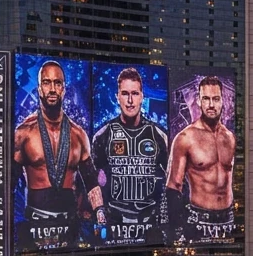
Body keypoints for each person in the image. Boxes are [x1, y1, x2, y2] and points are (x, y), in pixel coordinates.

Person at [12, 60, 105, 250]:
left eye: (57, 83)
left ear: (64, 89)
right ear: (39, 89)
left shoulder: (78, 135)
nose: (52, 89)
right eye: (47, 82)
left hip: (69, 226)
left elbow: (91, 182)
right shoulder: (23, 133)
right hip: (35, 225)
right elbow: (8, 185)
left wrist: (100, 214)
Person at [92, 67, 169, 245]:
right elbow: (91, 185)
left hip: (150, 228)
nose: (130, 100)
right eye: (125, 94)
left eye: (134, 94)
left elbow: (173, 182)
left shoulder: (159, 136)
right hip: (114, 227)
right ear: (117, 97)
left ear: (142, 96)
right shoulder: (102, 136)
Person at [166, 76, 236, 243]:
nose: (211, 105)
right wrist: (177, 230)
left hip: (229, 222)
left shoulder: (230, 137)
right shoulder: (185, 138)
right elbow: (174, 187)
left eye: (216, 99)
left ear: (223, 101)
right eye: (206, 99)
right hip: (198, 222)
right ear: (199, 101)